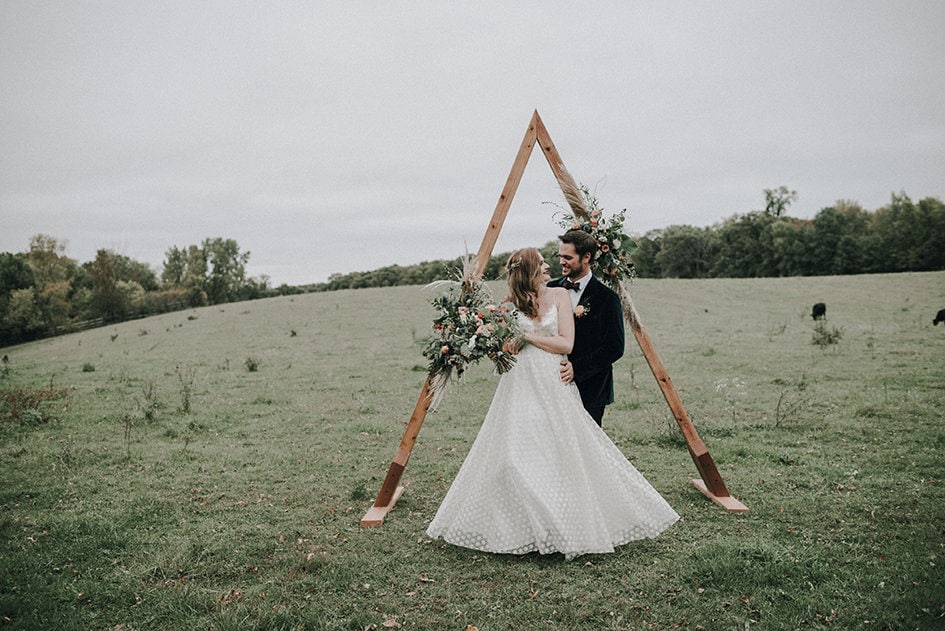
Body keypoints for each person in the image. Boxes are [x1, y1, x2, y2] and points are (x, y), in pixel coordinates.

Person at [425, 248, 679, 560]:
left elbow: (565, 343)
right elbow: (504, 348)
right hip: (518, 382)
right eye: (542, 263)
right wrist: (495, 345)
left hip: (552, 378)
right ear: (529, 271)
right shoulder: (507, 305)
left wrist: (528, 338)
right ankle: (527, 529)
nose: (549, 266)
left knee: (560, 449)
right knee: (514, 454)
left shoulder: (560, 296)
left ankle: (563, 523)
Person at [549, 229, 625, 426]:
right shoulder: (549, 289)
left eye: (568, 257)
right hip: (551, 382)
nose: (561, 262)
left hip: (591, 388)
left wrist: (578, 369)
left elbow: (614, 347)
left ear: (586, 257)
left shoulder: (607, 298)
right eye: (560, 256)